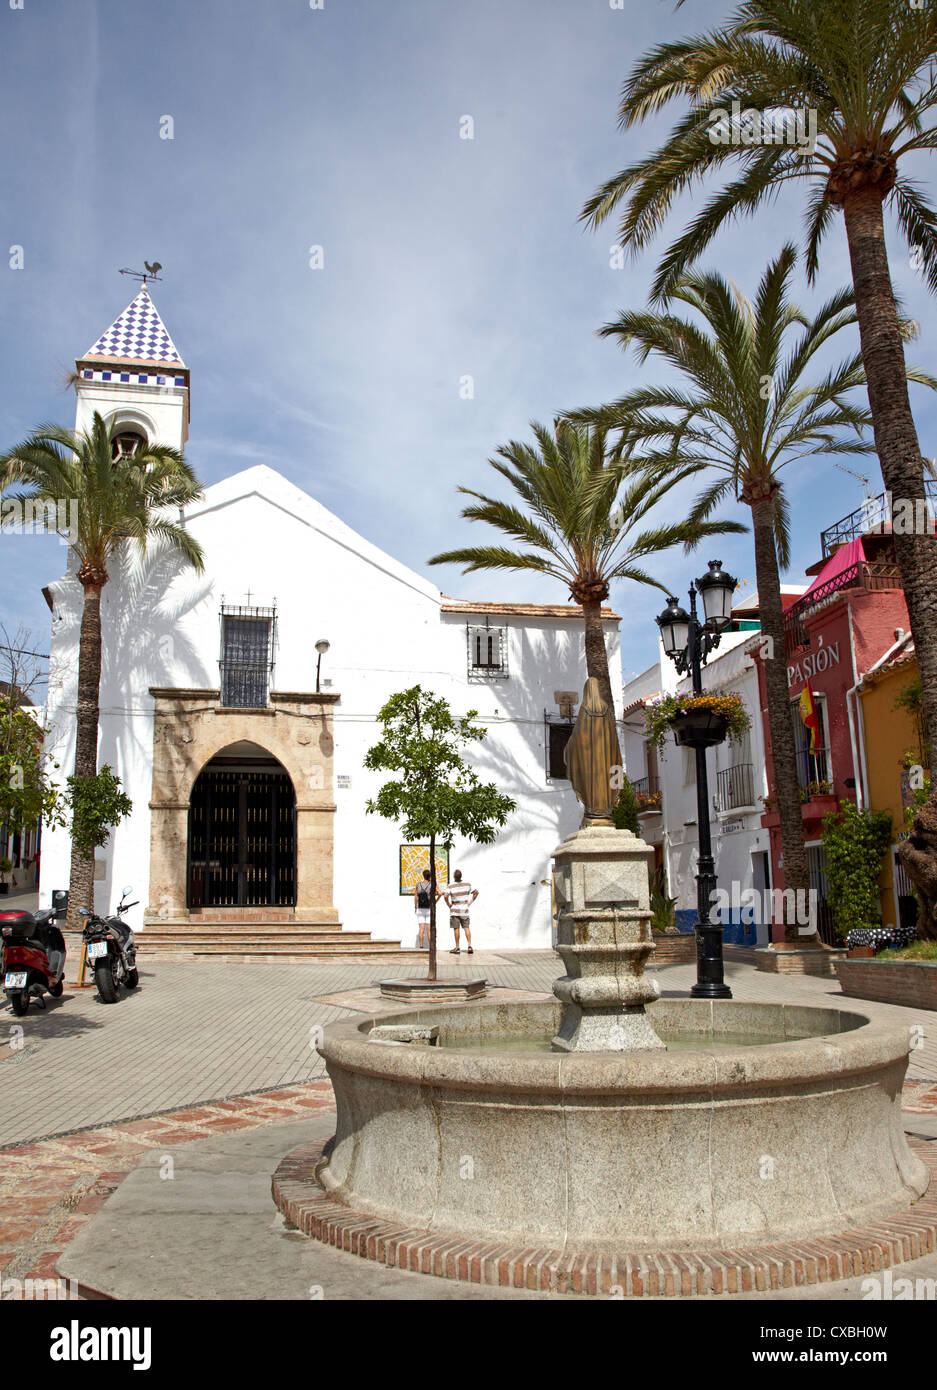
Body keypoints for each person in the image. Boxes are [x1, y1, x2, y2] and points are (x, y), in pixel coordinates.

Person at [445, 869, 478, 954]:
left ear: (454, 877)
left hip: (455, 911)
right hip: (464, 910)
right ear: (461, 876)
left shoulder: (450, 886)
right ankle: (469, 946)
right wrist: (469, 902)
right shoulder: (467, 884)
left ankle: (457, 947)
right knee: (466, 927)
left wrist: (449, 904)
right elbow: (476, 892)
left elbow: (445, 896)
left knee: (456, 929)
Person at [413, 868, 442, 951]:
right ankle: (430, 947)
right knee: (429, 929)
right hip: (429, 909)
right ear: (430, 876)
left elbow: (415, 896)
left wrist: (415, 907)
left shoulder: (418, 884)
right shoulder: (432, 884)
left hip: (420, 908)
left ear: (423, 876)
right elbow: (440, 893)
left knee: (421, 928)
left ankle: (421, 946)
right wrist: (435, 902)